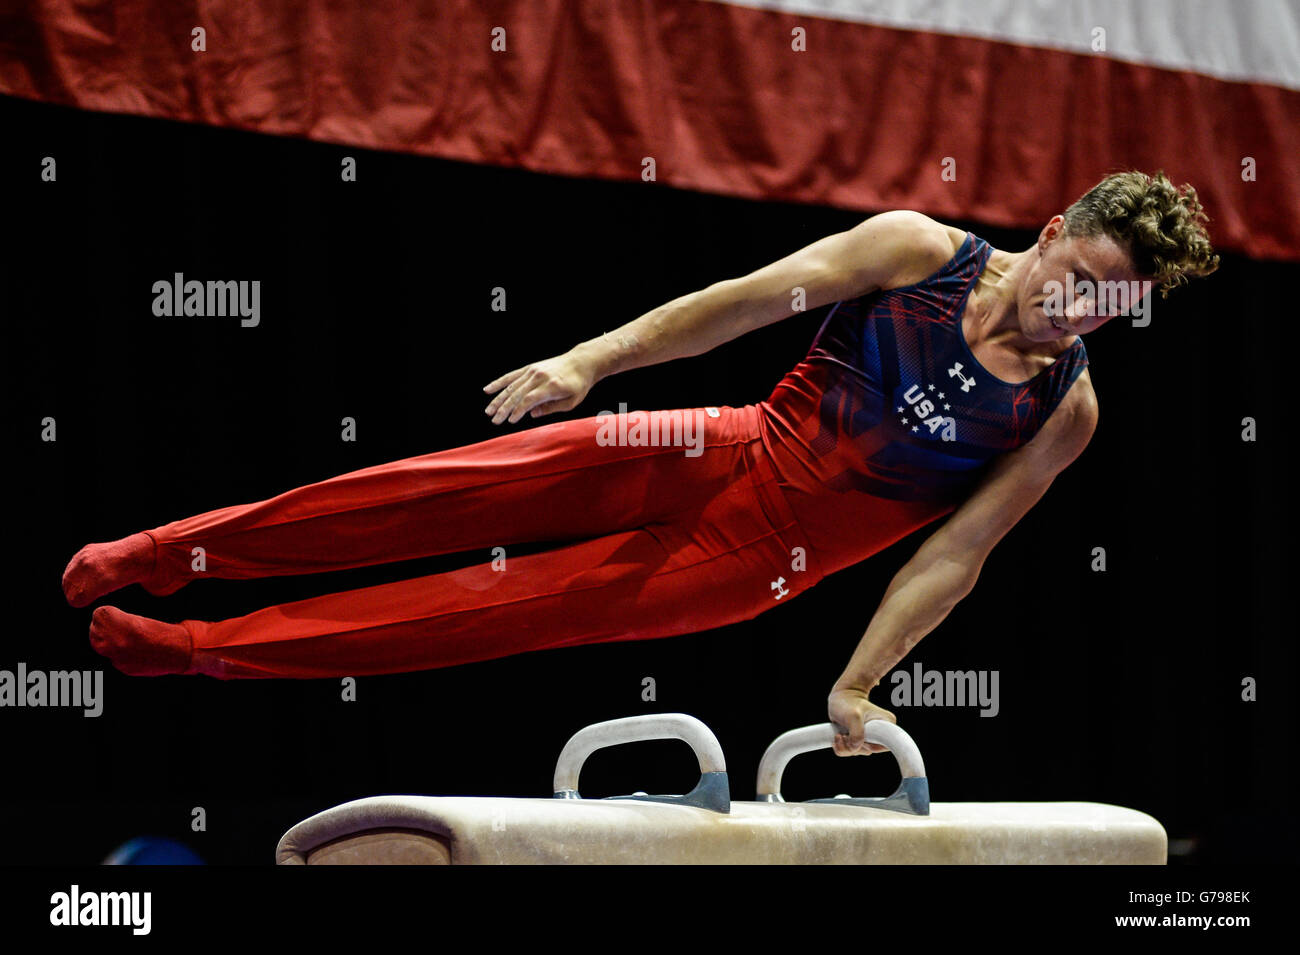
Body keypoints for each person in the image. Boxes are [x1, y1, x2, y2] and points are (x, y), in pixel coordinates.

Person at [62, 170, 1218, 758]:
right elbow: (735, 305)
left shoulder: (1062, 415)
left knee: (481, 608)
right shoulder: (919, 250)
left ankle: (201, 650)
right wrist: (588, 363)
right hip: (712, 446)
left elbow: (955, 555)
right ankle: (174, 552)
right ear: (1057, 228)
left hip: (748, 566)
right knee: (450, 485)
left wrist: (858, 684)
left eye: (1112, 309)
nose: (1078, 314)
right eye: (1081, 279)